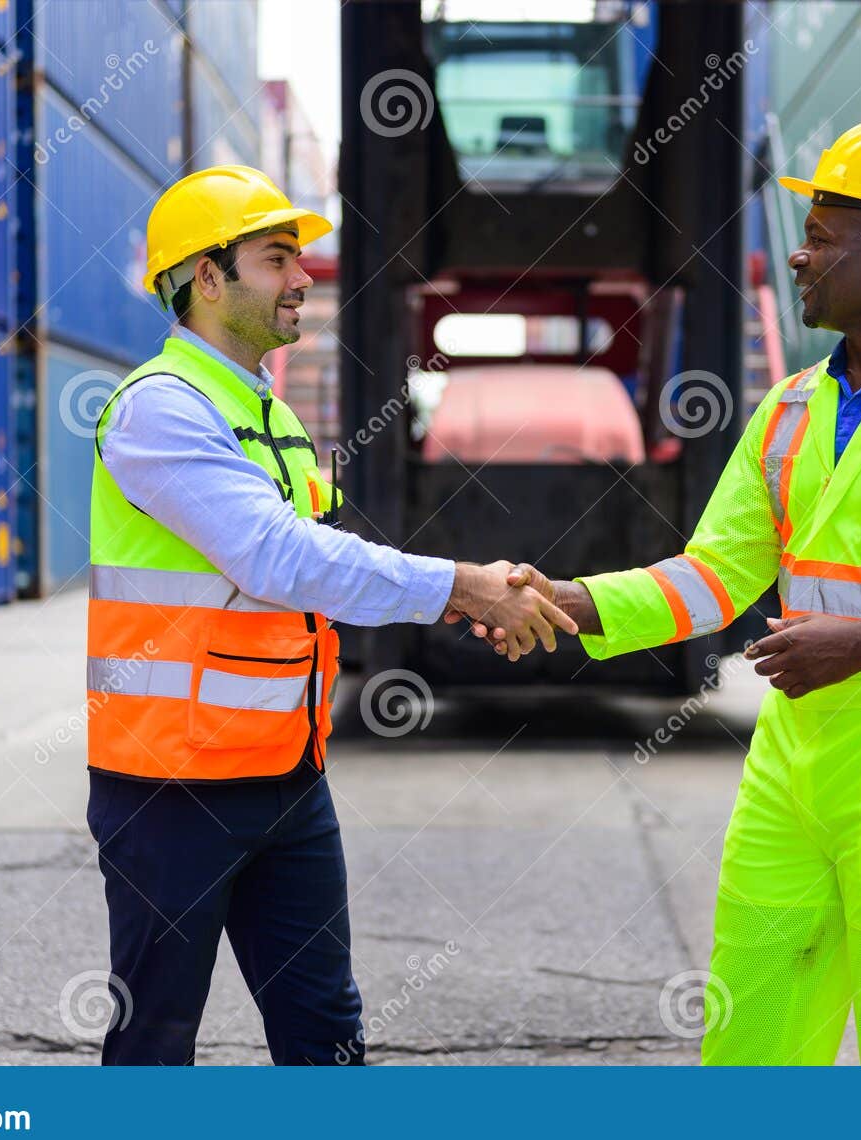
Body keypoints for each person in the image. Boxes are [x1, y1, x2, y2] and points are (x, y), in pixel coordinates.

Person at [492, 119, 861, 1064]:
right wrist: (574, 602)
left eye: (820, 235)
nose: (799, 256)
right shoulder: (790, 408)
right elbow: (715, 573)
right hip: (794, 767)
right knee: (752, 1035)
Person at [84, 165, 576, 1065]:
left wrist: (466, 596)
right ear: (207, 277)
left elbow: (325, 572)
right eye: (277, 259)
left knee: (326, 1031)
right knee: (154, 1039)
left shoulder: (267, 412)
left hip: (286, 774)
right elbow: (279, 558)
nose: (303, 277)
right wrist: (462, 586)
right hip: (171, 788)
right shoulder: (161, 410)